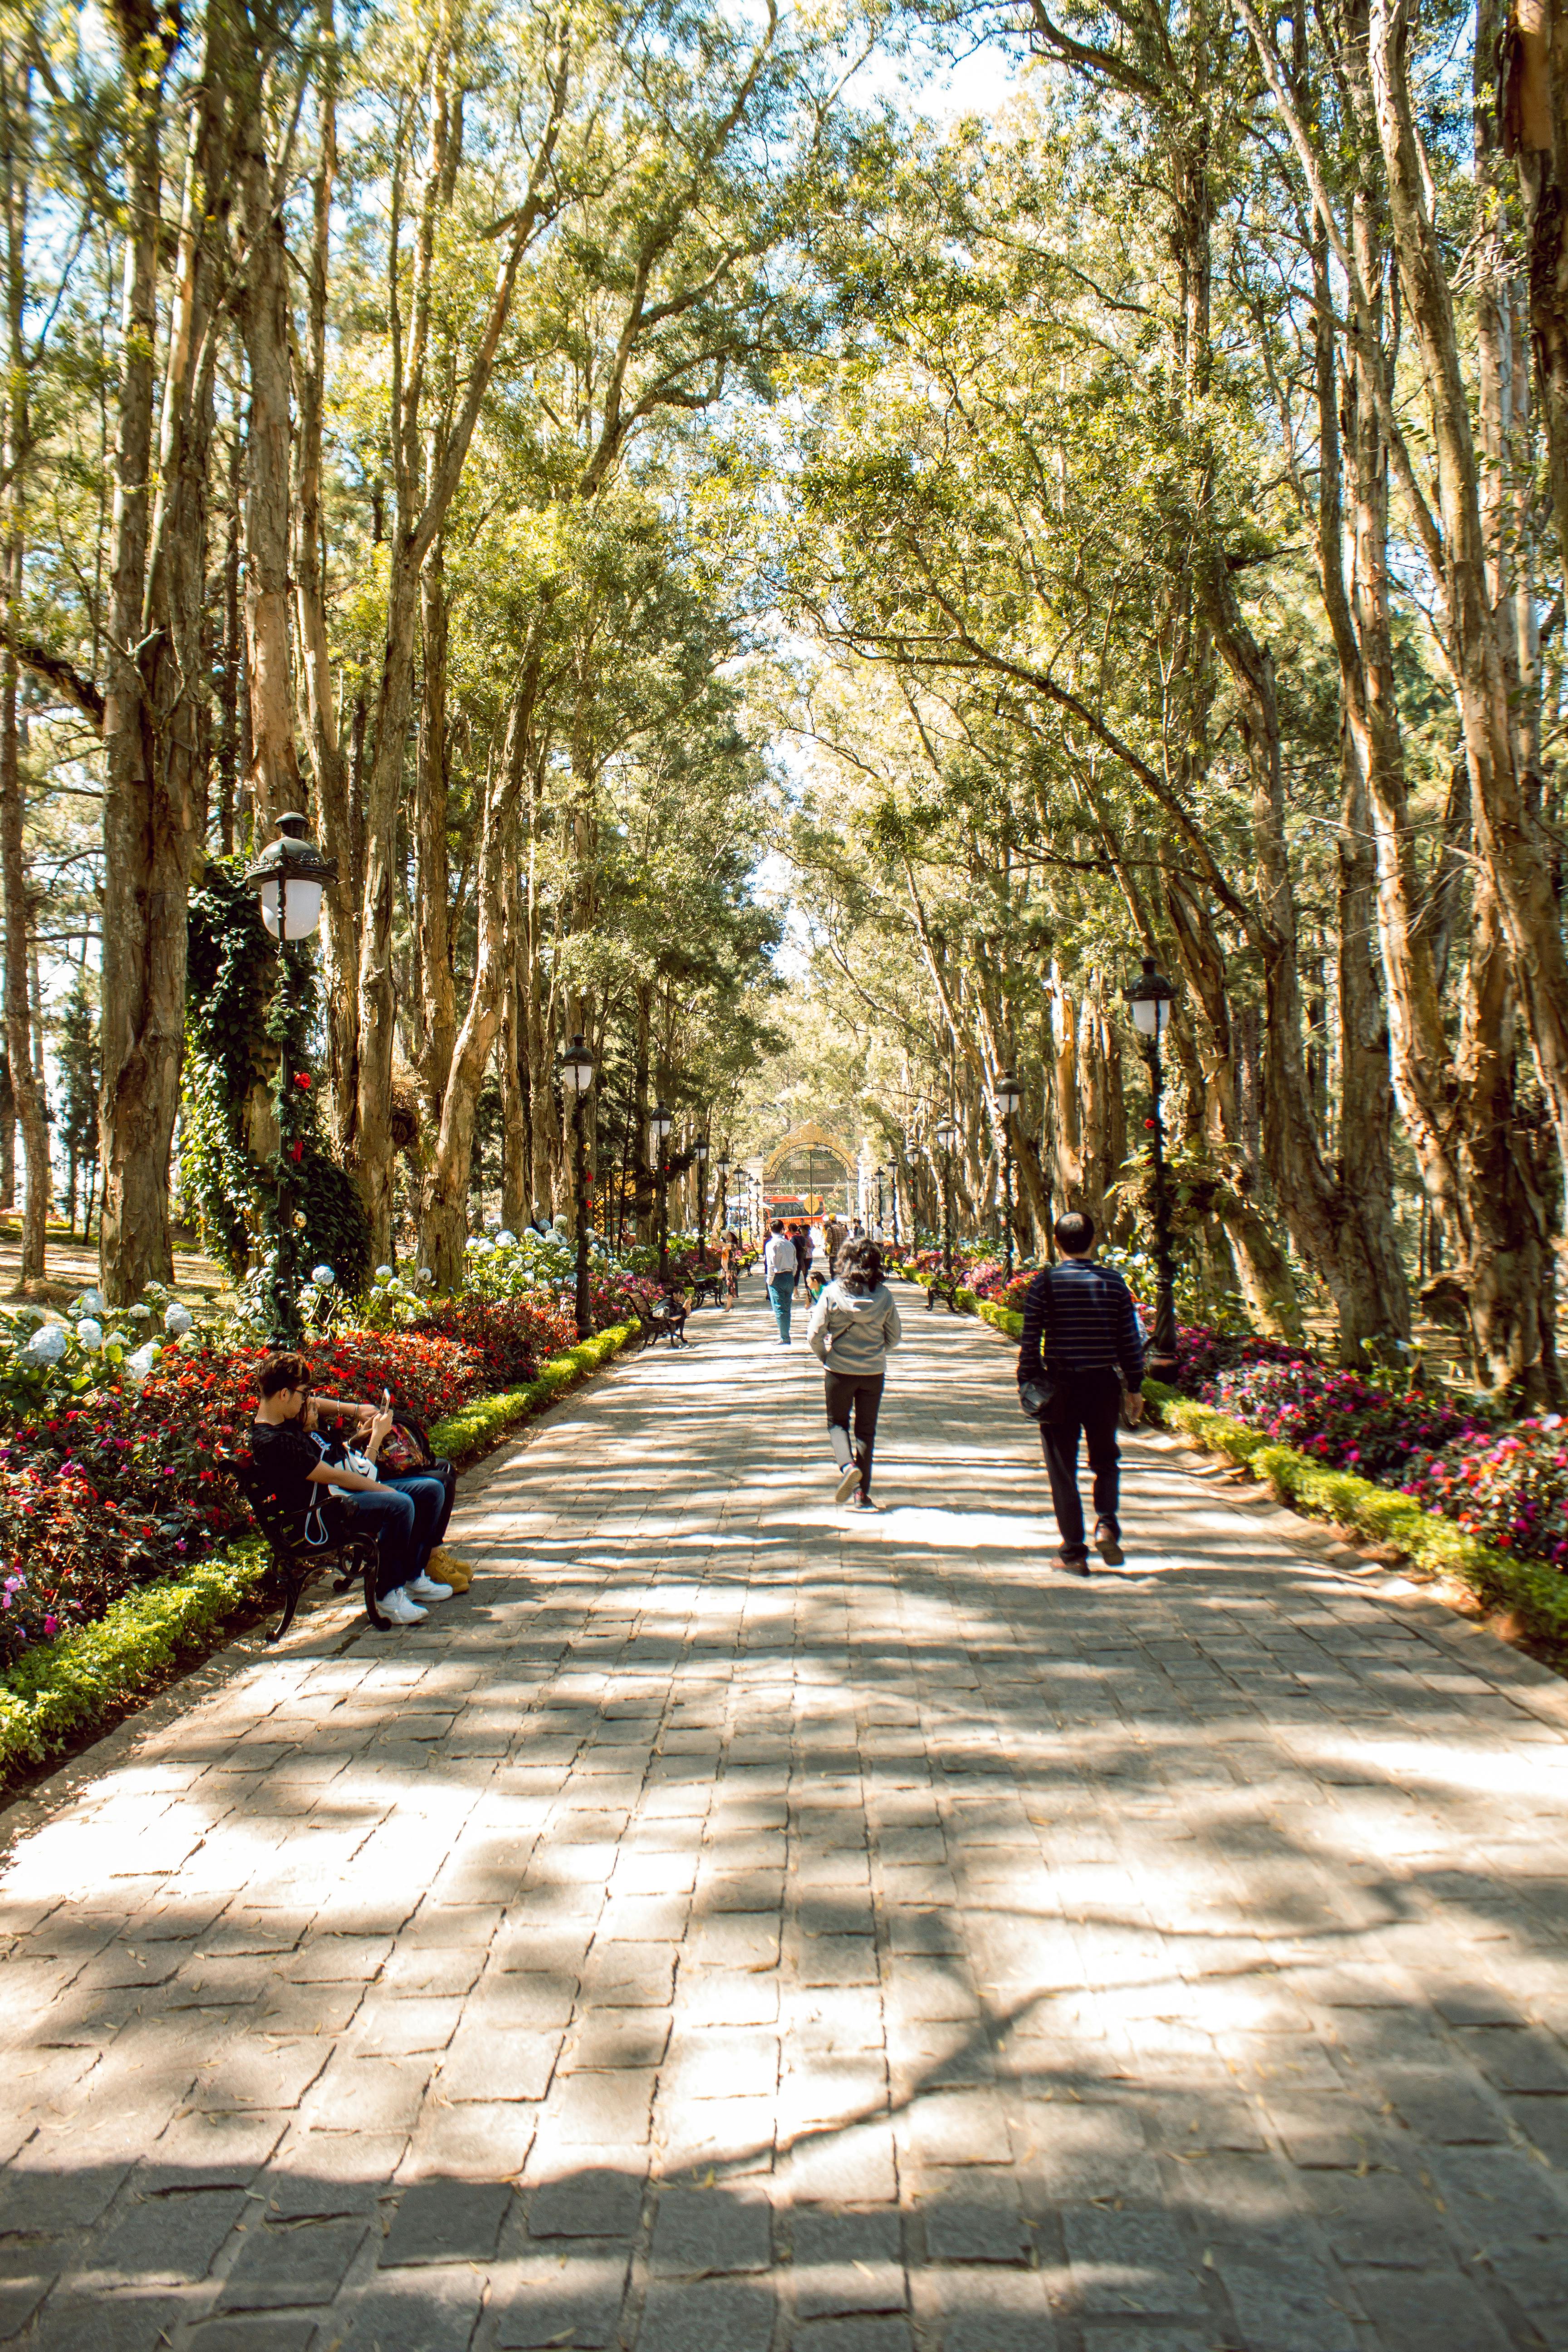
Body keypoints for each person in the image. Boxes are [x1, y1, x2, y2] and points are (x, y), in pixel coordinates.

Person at [250, 1354, 452, 1627]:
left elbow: (317, 1404)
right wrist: (383, 1491)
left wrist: (356, 1410)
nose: (307, 1402)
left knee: (431, 1490)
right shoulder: (275, 1442)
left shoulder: (281, 1416)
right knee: (401, 1504)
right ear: (285, 1394)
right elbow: (338, 1477)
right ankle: (388, 1595)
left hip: (336, 1498)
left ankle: (413, 1576)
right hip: (321, 1516)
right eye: (302, 1394)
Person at [1016, 1210, 1145, 1574]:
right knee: (1106, 1460)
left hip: (1061, 1387)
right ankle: (1107, 1523)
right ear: (1094, 1239)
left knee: (1063, 1470)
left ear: (1056, 1242)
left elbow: (1030, 1341)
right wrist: (1134, 1386)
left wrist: (1027, 1383)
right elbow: (1129, 1341)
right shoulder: (1115, 1283)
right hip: (1104, 1385)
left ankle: (1074, 1552)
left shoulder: (1047, 1284)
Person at [808, 1235, 902, 1510]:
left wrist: (826, 1356)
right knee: (866, 1432)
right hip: (873, 1373)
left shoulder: (832, 1293)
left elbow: (814, 1334)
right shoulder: (884, 1296)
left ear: (843, 1262)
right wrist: (876, 1350)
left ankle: (847, 1466)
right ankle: (862, 1495)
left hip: (839, 1370)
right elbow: (895, 1337)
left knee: (837, 1423)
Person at [764, 1220, 797, 1343]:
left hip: (777, 1278)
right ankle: (785, 1334)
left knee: (779, 1308)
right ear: (783, 1229)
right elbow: (795, 1264)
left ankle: (785, 1337)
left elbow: (771, 1264)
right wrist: (792, 1276)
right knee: (787, 1307)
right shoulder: (789, 1244)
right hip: (789, 1277)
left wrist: (770, 1280)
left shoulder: (771, 1244)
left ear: (770, 1230)